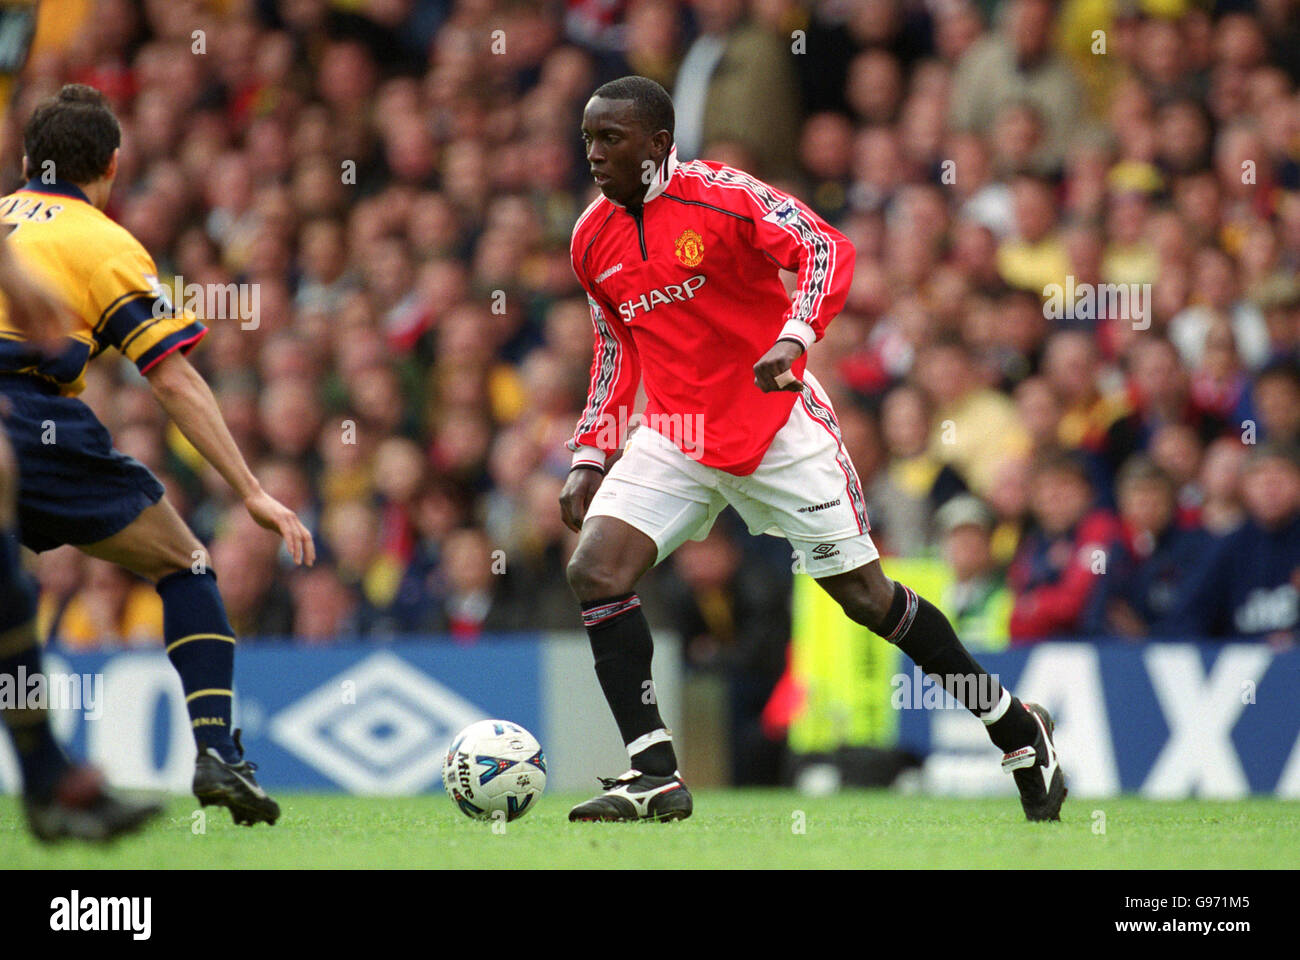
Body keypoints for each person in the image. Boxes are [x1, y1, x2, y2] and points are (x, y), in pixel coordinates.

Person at [559, 76, 1065, 823]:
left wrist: (796, 335)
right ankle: (654, 773)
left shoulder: (723, 196)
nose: (595, 155)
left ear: (660, 144)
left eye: (612, 139)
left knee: (866, 597)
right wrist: (589, 453)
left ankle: (1014, 726)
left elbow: (826, 247)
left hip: (775, 425)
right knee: (595, 572)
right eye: (588, 140)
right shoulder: (590, 238)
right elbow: (614, 351)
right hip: (676, 434)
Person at [0, 85, 315, 826]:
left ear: (24, 161)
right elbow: (170, 374)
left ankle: (48, 779)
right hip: (31, 419)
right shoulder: (102, 241)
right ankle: (216, 753)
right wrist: (250, 489)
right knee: (187, 564)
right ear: (112, 165)